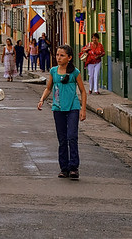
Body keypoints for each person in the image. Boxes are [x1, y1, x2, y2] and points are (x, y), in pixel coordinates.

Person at [37, 44, 88, 180]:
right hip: (58, 108)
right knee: (62, 138)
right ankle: (64, 168)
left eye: (62, 55)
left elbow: (83, 91)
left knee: (72, 136)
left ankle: (74, 167)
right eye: (57, 55)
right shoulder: (53, 71)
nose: (58, 58)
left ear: (69, 58)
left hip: (72, 108)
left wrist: (83, 109)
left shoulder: (74, 72)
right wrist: (42, 99)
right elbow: (48, 88)